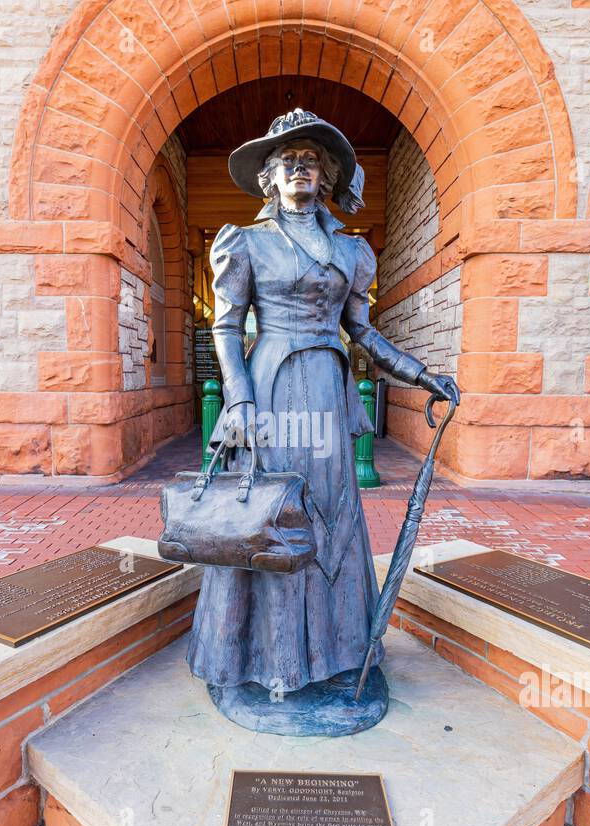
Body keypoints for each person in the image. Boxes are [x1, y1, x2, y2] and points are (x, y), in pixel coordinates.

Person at [186, 109, 459, 728]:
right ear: (269, 179)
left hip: (330, 394)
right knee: (269, 516)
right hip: (270, 392)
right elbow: (225, 326)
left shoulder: (350, 249)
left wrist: (421, 374)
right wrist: (239, 401)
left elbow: (363, 331)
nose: (299, 168)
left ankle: (331, 657)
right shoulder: (246, 242)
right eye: (287, 161)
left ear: (327, 174)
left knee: (332, 517)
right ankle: (265, 662)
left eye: (310, 159)